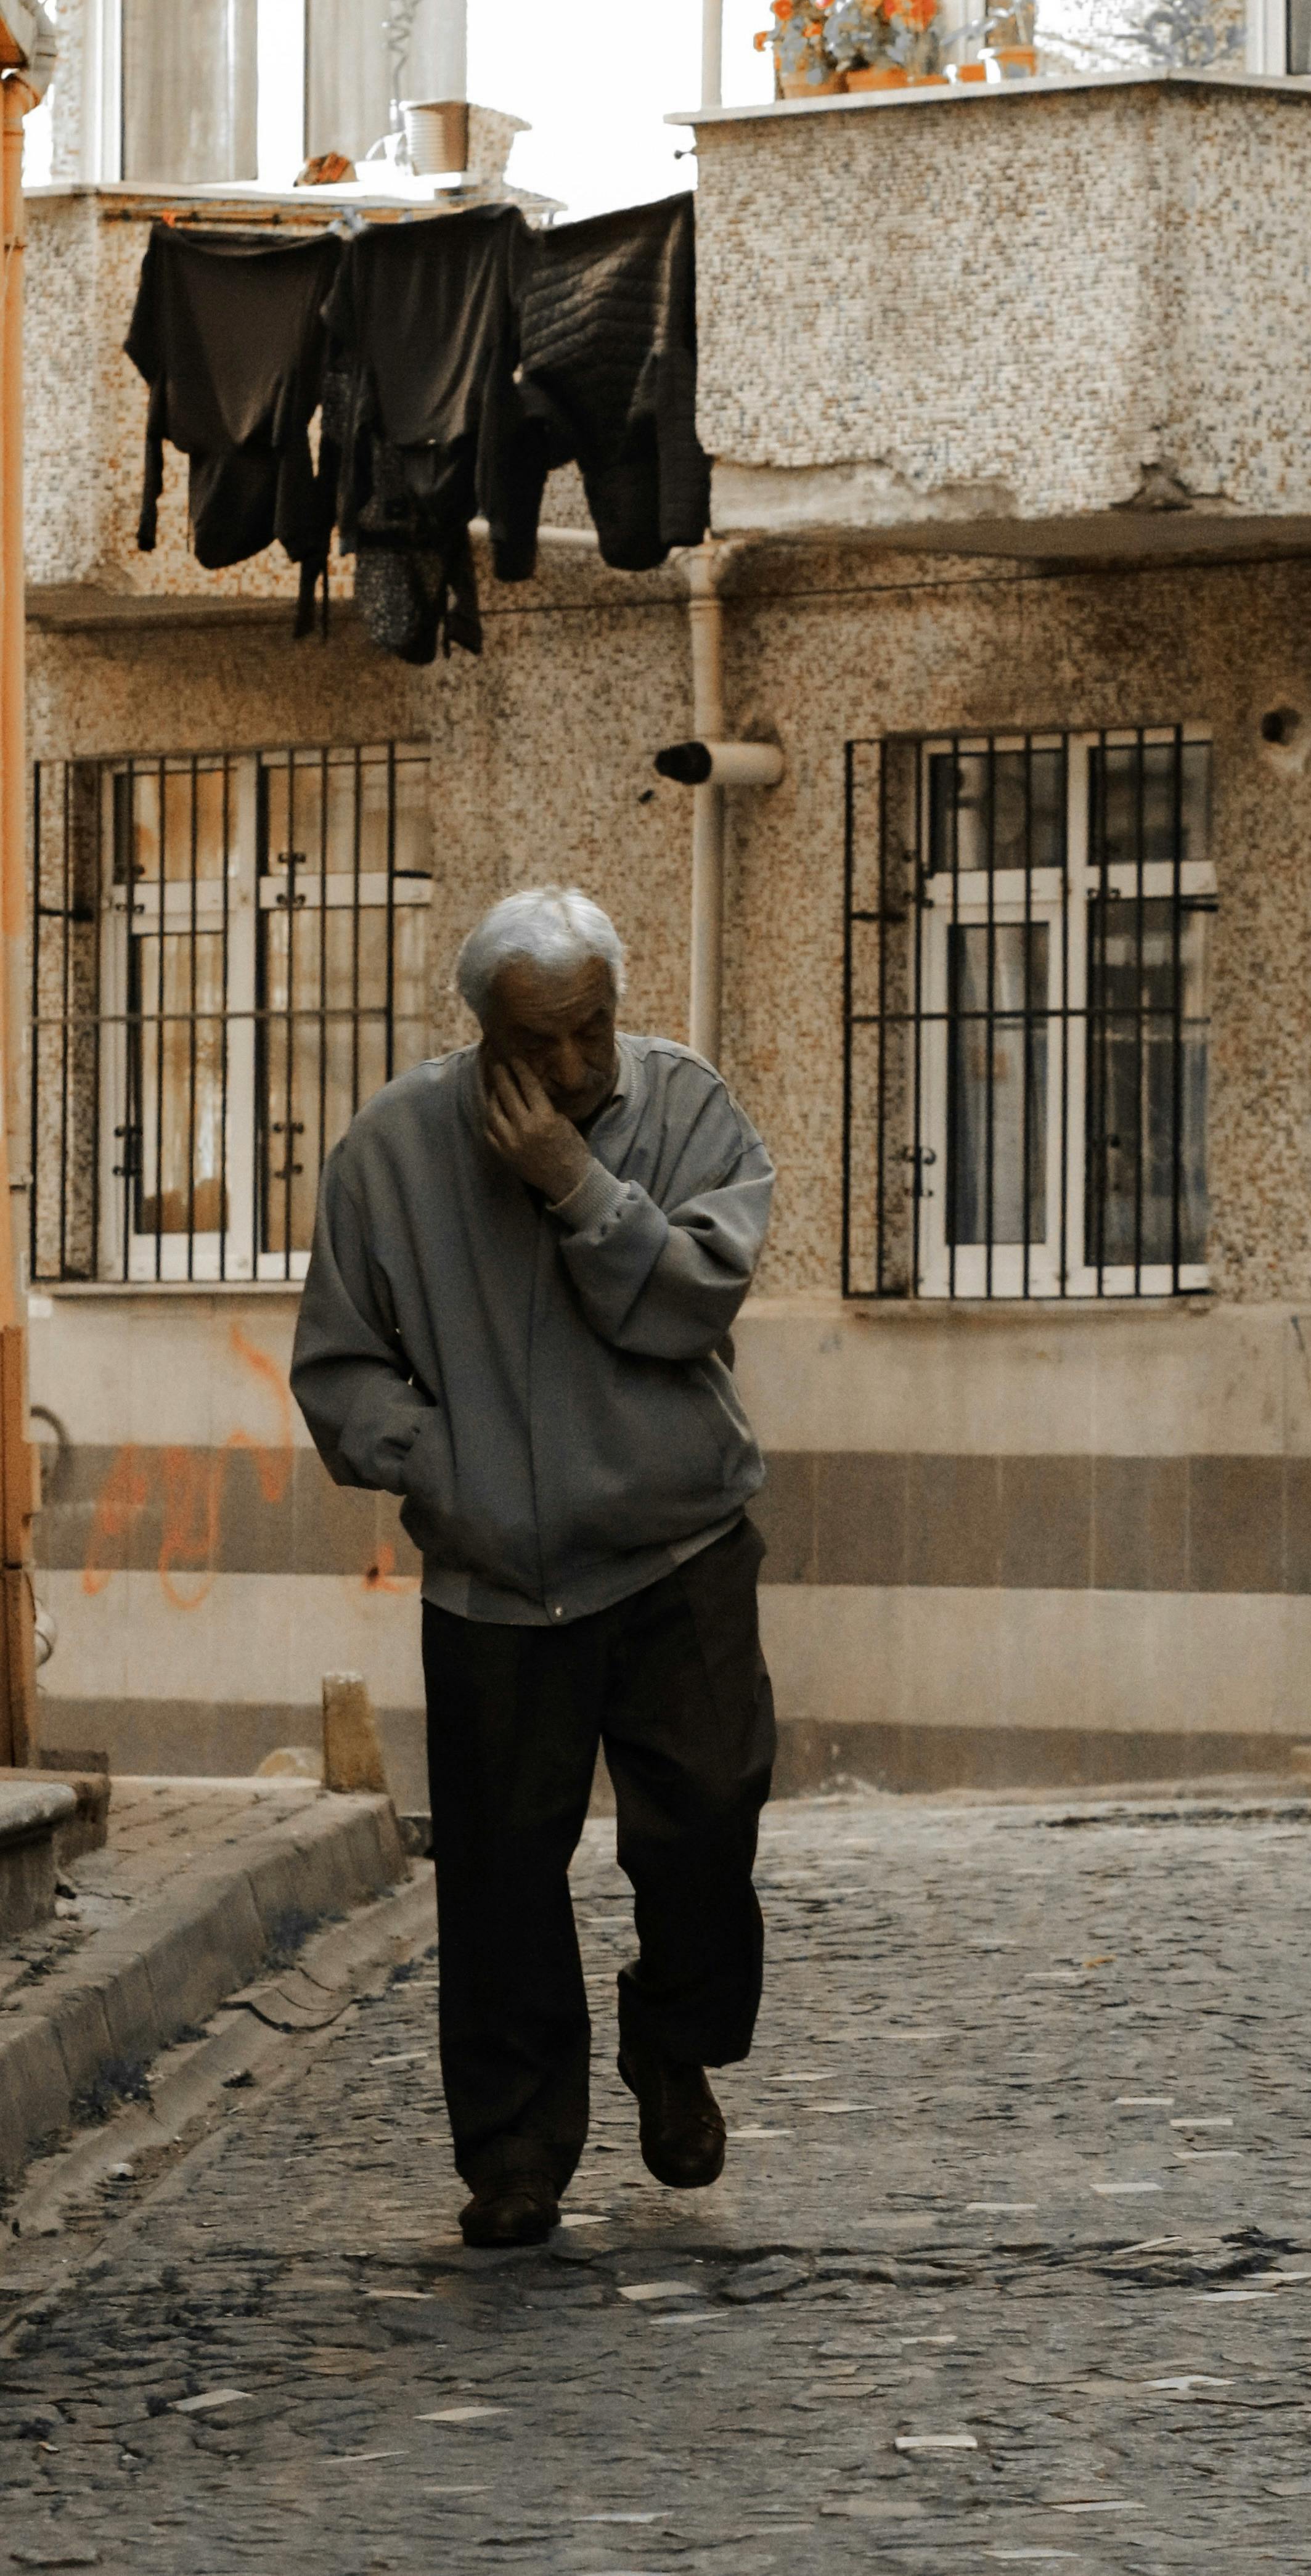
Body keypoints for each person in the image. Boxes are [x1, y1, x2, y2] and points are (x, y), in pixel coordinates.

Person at [292, 884, 776, 2250]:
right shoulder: (392, 1149)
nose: (570, 1064)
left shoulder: (686, 1108)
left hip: (679, 1548)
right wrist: (443, 1464)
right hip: (495, 1584)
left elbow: (696, 1301)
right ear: (482, 1031)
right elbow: (338, 1367)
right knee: (501, 1875)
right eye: (535, 1040)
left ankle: (672, 2037)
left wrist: (578, 1183)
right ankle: (514, 2152)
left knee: (710, 1819)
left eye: (590, 1029)